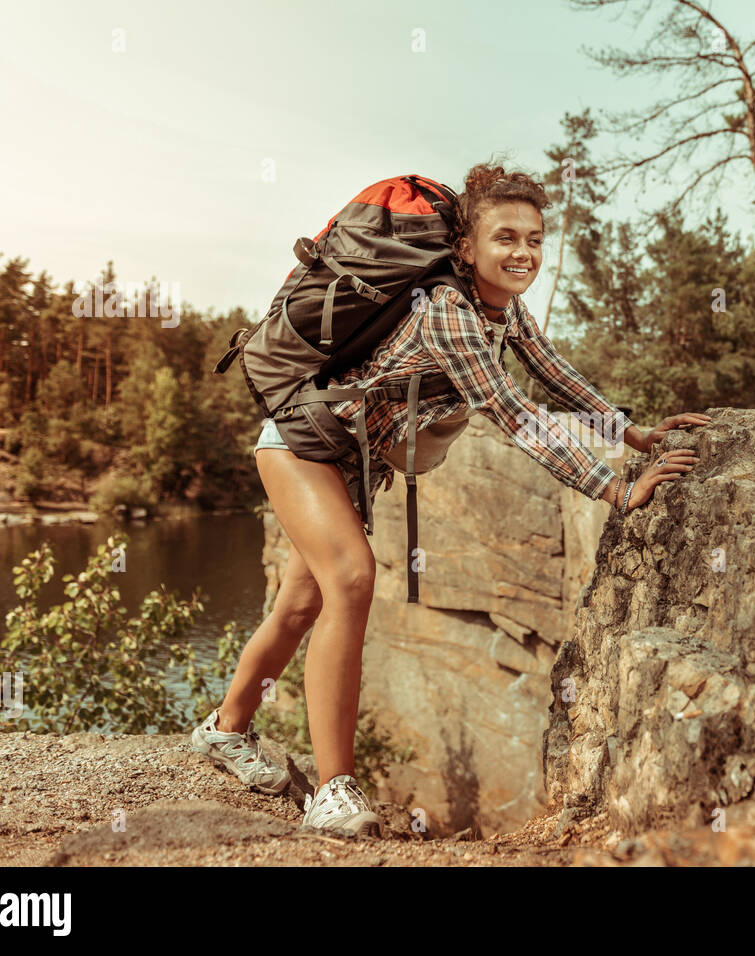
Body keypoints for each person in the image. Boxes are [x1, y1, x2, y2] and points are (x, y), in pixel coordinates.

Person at [189, 162, 711, 838]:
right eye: (505, 238)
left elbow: (553, 372)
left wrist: (629, 429)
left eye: (534, 239)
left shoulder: (503, 309)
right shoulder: (446, 312)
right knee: (350, 580)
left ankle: (225, 730)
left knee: (299, 602)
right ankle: (334, 790)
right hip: (300, 443)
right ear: (465, 247)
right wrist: (614, 488)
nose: (523, 253)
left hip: (350, 461)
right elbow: (514, 412)